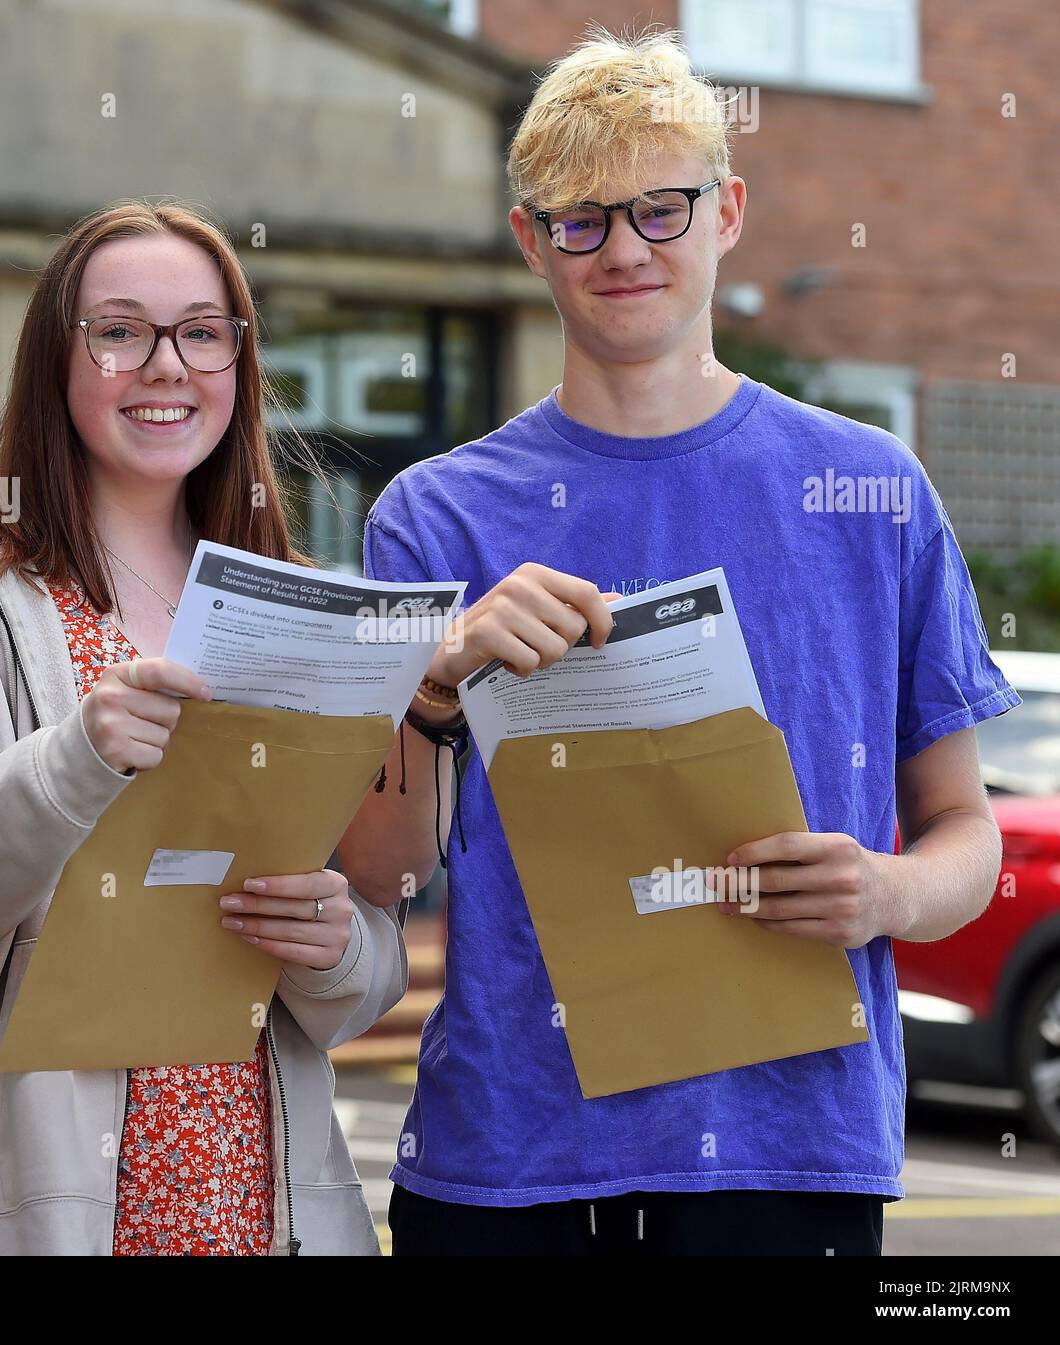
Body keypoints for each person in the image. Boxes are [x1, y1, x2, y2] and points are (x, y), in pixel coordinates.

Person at [337, 28, 1019, 1257]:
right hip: (511, 1157)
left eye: (660, 208)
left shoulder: (871, 488)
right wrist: (436, 685)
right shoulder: (433, 515)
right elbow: (381, 872)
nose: (625, 250)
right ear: (529, 242)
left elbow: (962, 829)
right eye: (581, 221)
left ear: (728, 213)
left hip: (792, 1147)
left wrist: (886, 892)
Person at [0, 200, 407, 1256]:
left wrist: (332, 944)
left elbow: (369, 962)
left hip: (256, 1208)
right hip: (39, 1206)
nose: (165, 365)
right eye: (119, 330)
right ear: (59, 360)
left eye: (200, 330)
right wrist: (74, 757)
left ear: (236, 359)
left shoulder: (299, 605)